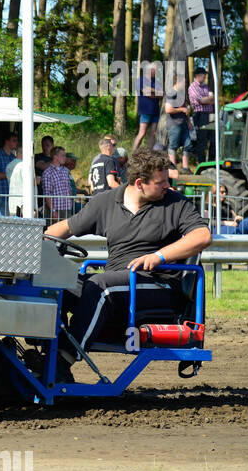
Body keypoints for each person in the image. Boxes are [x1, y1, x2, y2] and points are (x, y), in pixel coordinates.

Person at [45, 148, 211, 360]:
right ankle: (45, 354)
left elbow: (202, 236)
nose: (167, 186)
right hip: (119, 280)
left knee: (101, 287)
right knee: (55, 285)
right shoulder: (105, 202)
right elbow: (66, 227)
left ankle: (63, 360)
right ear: (140, 184)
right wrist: (37, 241)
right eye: (161, 182)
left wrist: (158, 256)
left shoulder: (176, 203)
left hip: (157, 283)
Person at [163, 80, 193, 173]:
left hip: (184, 123)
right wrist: (182, 109)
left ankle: (185, 168)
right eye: (183, 82)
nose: (184, 84)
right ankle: (173, 169)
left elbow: (186, 109)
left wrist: (188, 121)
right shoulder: (171, 93)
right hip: (174, 124)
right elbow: (168, 109)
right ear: (176, 82)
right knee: (173, 146)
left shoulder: (182, 94)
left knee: (188, 144)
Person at [134, 63, 162, 152]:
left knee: (153, 134)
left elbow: (162, 94)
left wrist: (153, 91)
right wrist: (155, 93)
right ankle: (133, 153)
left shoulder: (156, 82)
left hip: (155, 111)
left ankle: (149, 154)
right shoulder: (141, 80)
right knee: (142, 133)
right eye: (155, 70)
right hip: (145, 110)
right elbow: (146, 93)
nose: (157, 72)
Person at [188, 66, 214, 160]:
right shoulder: (192, 87)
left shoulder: (206, 87)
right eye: (203, 75)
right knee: (202, 138)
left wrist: (206, 100)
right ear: (198, 75)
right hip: (199, 115)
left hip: (209, 115)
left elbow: (213, 99)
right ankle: (201, 161)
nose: (205, 77)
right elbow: (201, 100)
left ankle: (211, 161)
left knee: (212, 138)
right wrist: (207, 100)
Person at [41, 146, 73, 220]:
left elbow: (69, 188)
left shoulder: (66, 171)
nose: (65, 158)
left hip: (67, 208)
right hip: (55, 209)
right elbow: (47, 193)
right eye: (62, 155)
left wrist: (70, 203)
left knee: (67, 231)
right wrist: (53, 211)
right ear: (55, 157)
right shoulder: (47, 173)